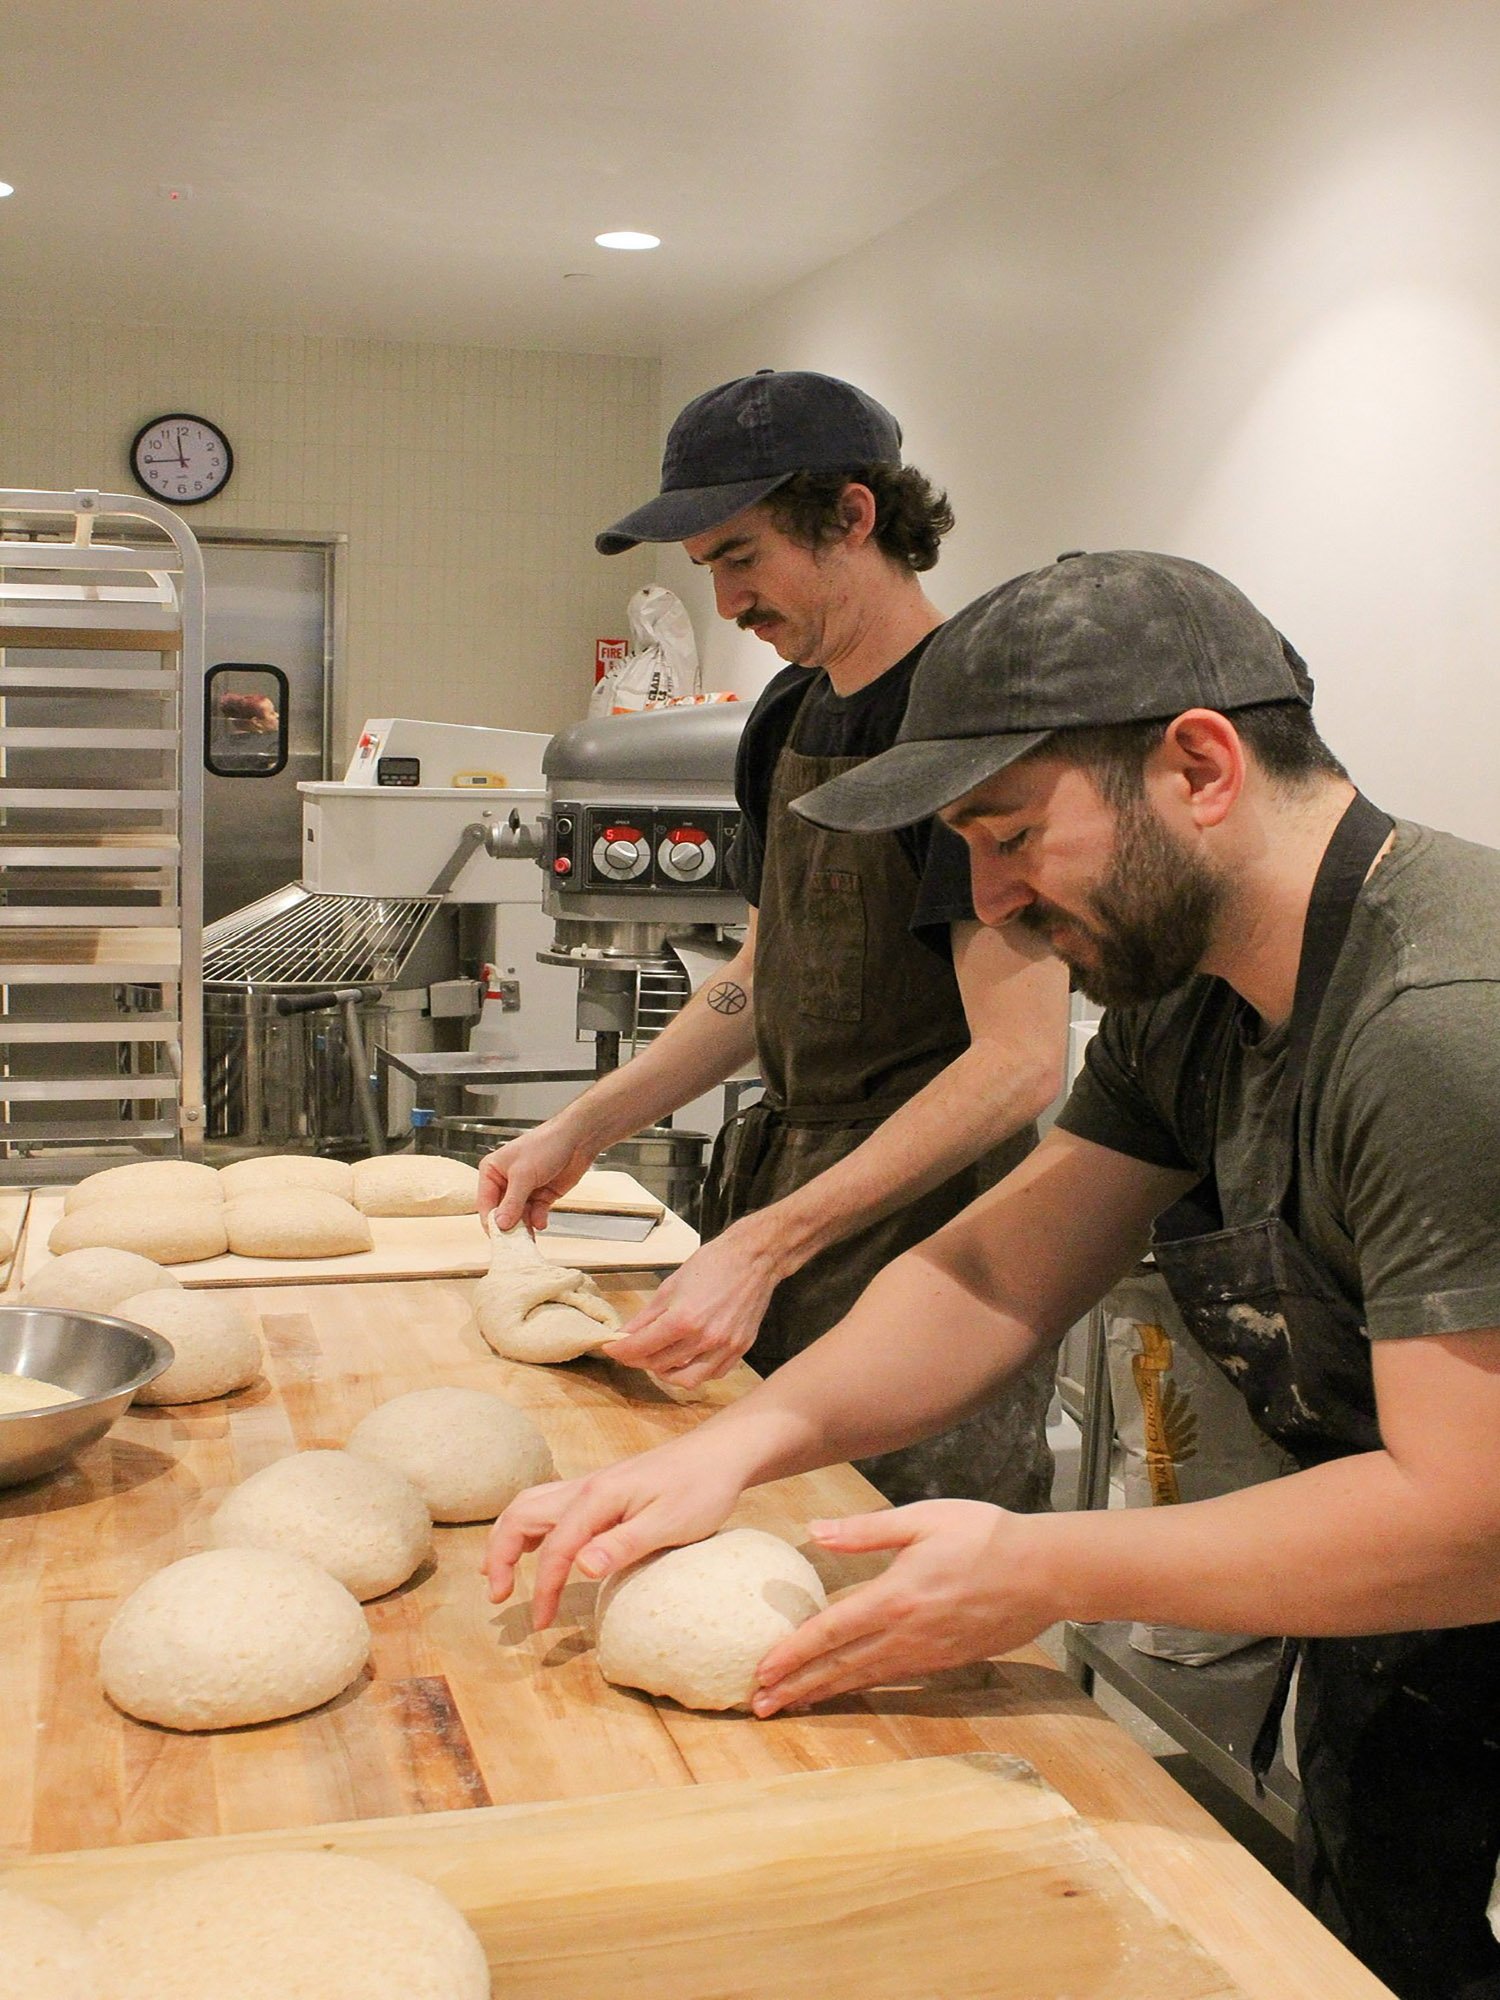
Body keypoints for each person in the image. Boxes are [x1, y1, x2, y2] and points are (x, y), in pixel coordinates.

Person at [483, 550, 1500, 2000]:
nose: (993, 899)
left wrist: (1041, 1567)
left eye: (1012, 833)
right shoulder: (1194, 999)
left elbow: (1469, 1517)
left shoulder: (1438, 1027)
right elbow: (994, 1274)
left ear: (1199, 767)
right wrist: (741, 1444)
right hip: (1414, 1617)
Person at [479, 369, 1068, 1508]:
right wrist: (584, 1127)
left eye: (742, 557)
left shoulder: (965, 724)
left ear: (853, 515)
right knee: (766, 1516)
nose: (728, 601)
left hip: (937, 1225)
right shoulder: (788, 714)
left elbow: (1018, 1063)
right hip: (791, 1183)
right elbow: (762, 977)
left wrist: (763, 1244)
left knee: (897, 1539)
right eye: (709, 567)